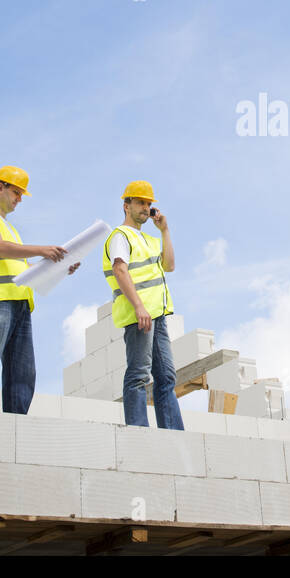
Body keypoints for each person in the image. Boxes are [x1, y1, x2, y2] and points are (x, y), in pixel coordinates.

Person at [0, 165, 79, 413]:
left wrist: (60, 267)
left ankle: (16, 424)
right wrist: (42, 249)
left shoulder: (11, 231)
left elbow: (25, 269)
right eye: (16, 193)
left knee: (23, 372)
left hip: (19, 306)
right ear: (0, 187)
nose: (19, 200)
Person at [102, 181, 184, 429]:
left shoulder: (149, 239)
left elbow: (169, 266)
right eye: (140, 203)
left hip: (157, 316)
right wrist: (138, 306)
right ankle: (137, 431)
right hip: (139, 315)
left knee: (167, 376)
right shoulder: (120, 236)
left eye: (148, 204)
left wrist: (165, 231)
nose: (146, 208)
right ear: (126, 205)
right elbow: (119, 269)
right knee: (139, 374)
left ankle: (173, 433)